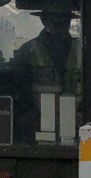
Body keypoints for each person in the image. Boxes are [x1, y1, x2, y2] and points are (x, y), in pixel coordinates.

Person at [11, 8, 81, 142]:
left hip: (79, 133)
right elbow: (17, 96)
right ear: (44, 20)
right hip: (36, 132)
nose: (58, 24)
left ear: (69, 20)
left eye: (63, 19)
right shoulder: (27, 53)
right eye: (54, 19)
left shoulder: (83, 51)